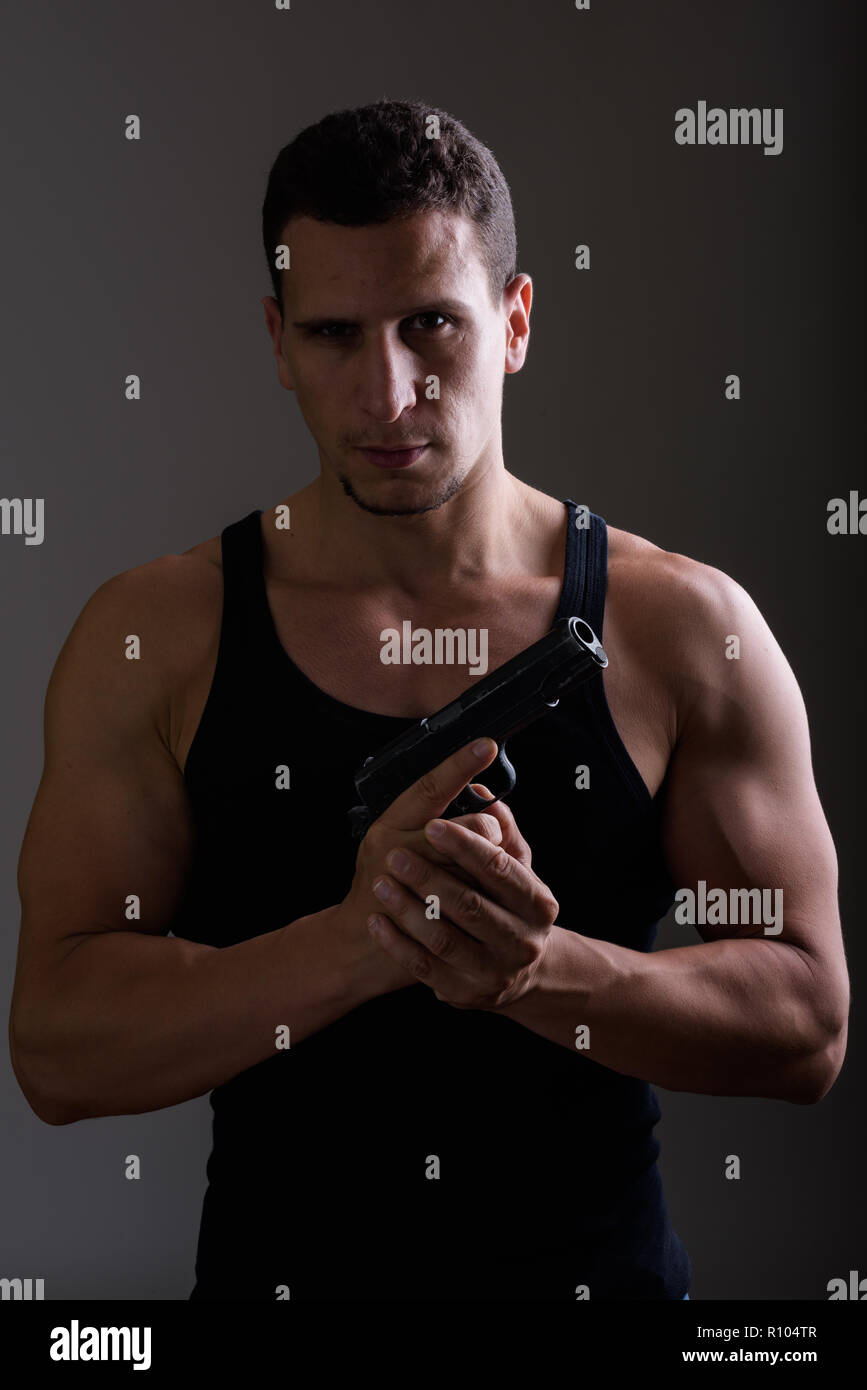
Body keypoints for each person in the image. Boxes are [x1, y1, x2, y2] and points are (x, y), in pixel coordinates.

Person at [10, 100, 849, 1301]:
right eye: (336, 335)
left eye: (431, 326)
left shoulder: (681, 629)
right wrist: (356, 946)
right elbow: (54, 1046)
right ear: (278, 340)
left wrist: (534, 969)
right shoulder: (157, 638)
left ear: (513, 323)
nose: (387, 392)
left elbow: (810, 1023)